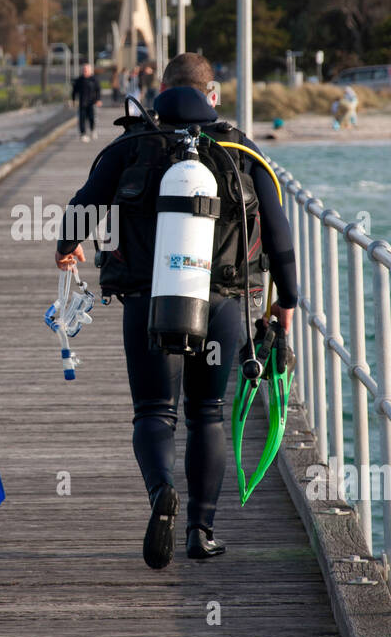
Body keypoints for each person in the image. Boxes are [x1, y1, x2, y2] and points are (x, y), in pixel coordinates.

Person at [54, 52, 298, 569]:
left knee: (153, 411)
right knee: (205, 412)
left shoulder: (131, 146)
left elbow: (83, 205)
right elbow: (279, 233)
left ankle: (162, 491)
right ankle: (201, 530)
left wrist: (65, 245)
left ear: (160, 93)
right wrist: (286, 304)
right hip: (221, 303)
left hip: (148, 301)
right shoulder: (238, 150)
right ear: (212, 97)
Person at [71, 62, 102, 142]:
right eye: (84, 69)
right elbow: (74, 91)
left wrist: (98, 99)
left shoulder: (94, 79)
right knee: (82, 119)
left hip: (91, 102)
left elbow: (98, 90)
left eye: (87, 69)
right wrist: (73, 100)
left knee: (91, 118)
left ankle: (92, 130)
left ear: (90, 70)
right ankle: (83, 134)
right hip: (82, 103)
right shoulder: (79, 80)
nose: (85, 71)